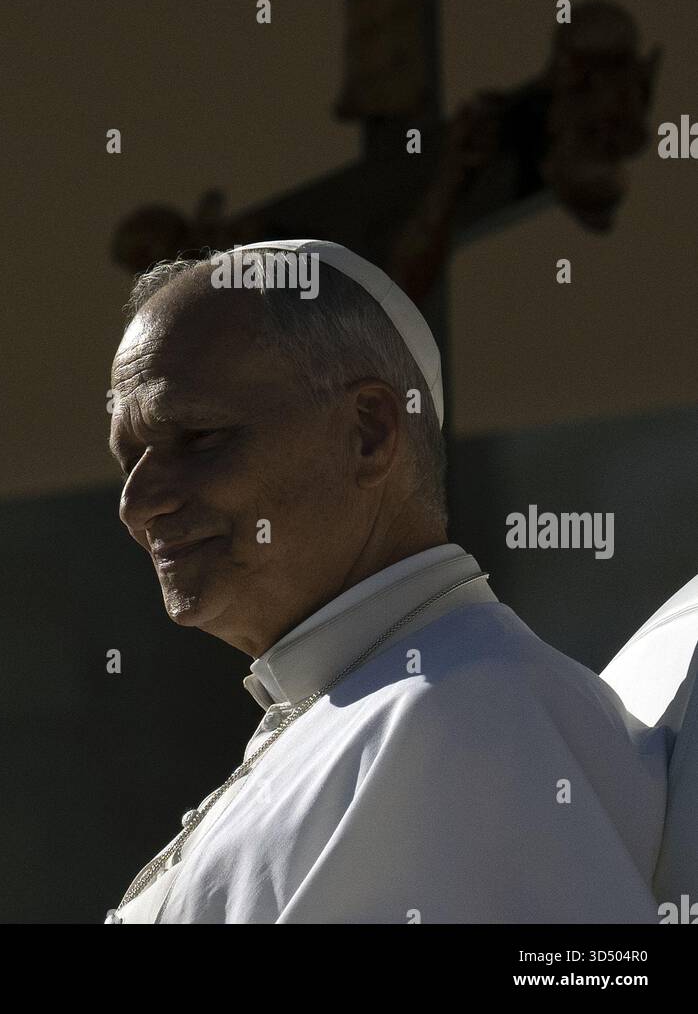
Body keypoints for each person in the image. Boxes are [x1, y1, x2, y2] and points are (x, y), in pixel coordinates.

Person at [104, 239, 667, 924]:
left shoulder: (467, 711)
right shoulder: (363, 706)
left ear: (369, 432)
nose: (138, 504)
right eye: (129, 459)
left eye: (197, 438)